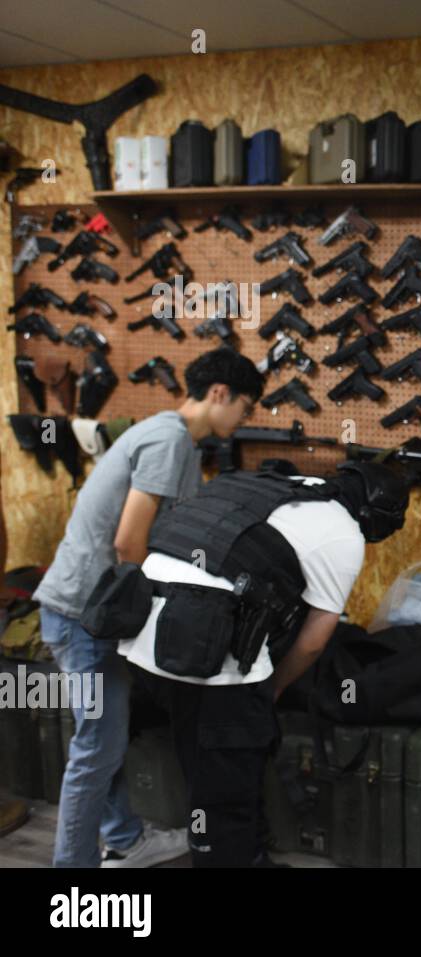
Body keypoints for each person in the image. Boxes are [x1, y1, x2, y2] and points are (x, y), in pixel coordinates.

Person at [32, 347, 262, 868]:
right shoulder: (169, 440)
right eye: (245, 408)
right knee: (96, 751)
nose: (244, 420)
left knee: (106, 739)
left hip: (90, 612)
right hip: (82, 617)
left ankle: (125, 839)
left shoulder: (169, 436)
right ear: (220, 394)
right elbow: (129, 543)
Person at [114, 461, 409, 867]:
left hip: (138, 637)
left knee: (207, 765)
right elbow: (312, 643)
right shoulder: (343, 530)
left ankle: (240, 851)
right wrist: (272, 689)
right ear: (374, 515)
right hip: (205, 658)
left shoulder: (262, 483)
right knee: (225, 789)